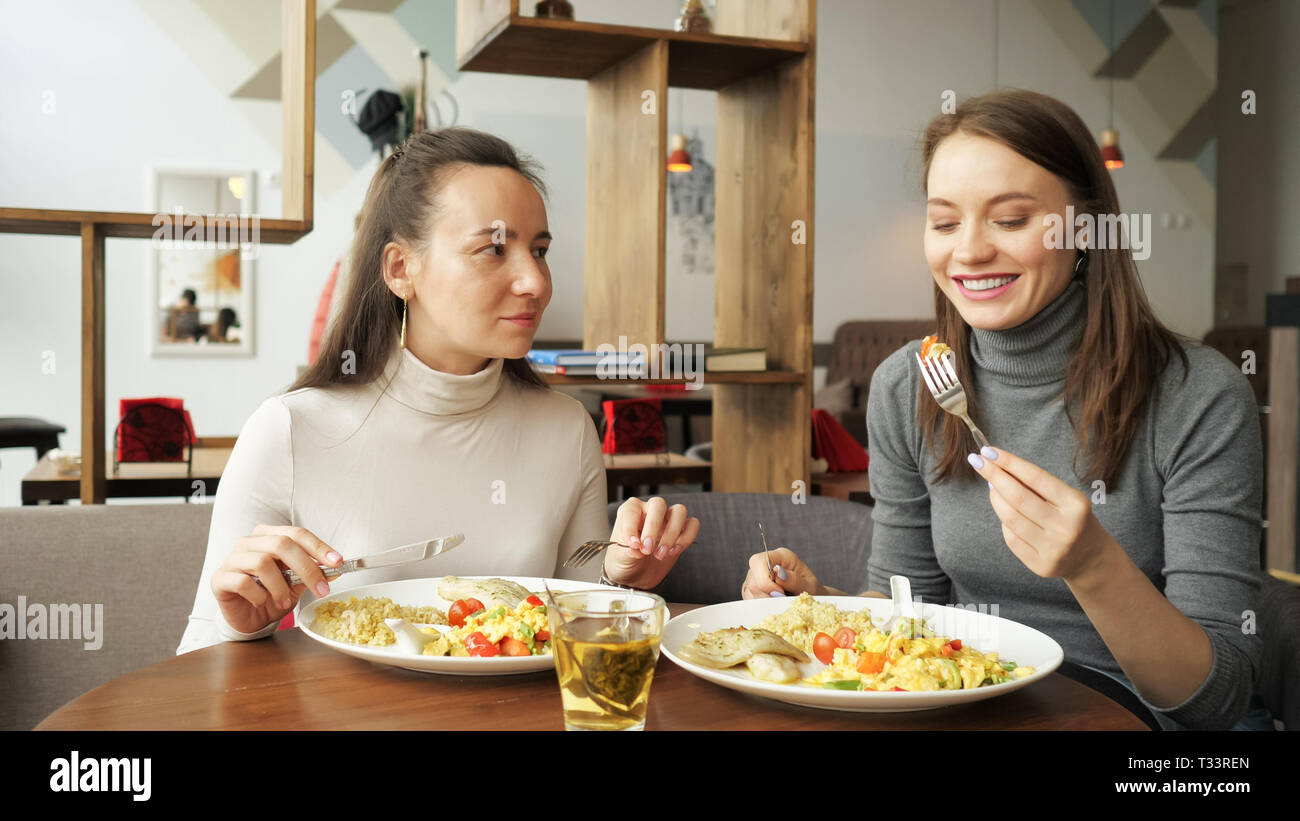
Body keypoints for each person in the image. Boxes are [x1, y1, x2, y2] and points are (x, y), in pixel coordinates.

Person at [741, 90, 1270, 731]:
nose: (968, 252)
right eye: (943, 222)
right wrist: (818, 606)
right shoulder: (906, 385)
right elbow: (909, 612)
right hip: (973, 706)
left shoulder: (1199, 396)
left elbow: (1214, 703)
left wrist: (1093, 565)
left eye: (1011, 220)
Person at [179, 127, 700, 654]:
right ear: (401, 269)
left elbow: (578, 634)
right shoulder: (290, 430)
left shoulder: (566, 428)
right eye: (493, 249)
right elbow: (195, 661)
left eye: (538, 250)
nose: (536, 283)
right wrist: (243, 626)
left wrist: (621, 577)